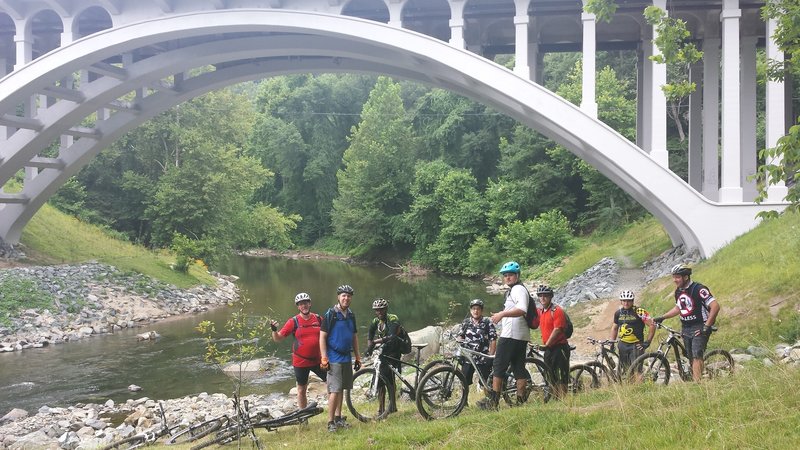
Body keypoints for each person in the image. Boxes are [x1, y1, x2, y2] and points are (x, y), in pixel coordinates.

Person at [653, 264, 720, 382]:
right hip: (686, 327)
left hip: (700, 326)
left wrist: (707, 326)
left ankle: (696, 385)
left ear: (686, 277)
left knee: (696, 355)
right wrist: (663, 317)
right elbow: (679, 308)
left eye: (677, 277)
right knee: (690, 356)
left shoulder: (699, 289)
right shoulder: (678, 291)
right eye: (673, 277)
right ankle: (697, 376)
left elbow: (715, 306)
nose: (674, 280)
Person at [477, 261, 531, 410]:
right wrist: (501, 315)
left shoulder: (518, 289)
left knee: (498, 367)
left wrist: (502, 314)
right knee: (518, 369)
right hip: (520, 336)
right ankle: (520, 403)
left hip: (511, 336)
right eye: (505, 275)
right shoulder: (516, 290)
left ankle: (493, 403)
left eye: (510, 275)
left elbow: (522, 309)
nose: (507, 278)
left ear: (517, 276)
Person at [270, 292, 327, 409]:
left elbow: (327, 336)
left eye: (306, 303)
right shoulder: (293, 321)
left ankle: (333, 414)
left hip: (318, 360)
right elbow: (278, 338)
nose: (304, 306)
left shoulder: (318, 319)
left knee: (332, 383)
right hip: (301, 361)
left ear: (310, 304)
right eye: (301, 304)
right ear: (298, 307)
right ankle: (303, 417)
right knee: (301, 390)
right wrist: (274, 330)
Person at [319, 284, 361, 432]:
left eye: (349, 296)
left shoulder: (351, 314)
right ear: (338, 297)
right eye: (343, 295)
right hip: (334, 357)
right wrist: (324, 358)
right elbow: (322, 337)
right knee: (334, 390)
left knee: (342, 388)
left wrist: (357, 356)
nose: (346, 298)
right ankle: (330, 422)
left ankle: (338, 417)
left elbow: (354, 336)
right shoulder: (331, 314)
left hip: (346, 357)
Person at [365, 298, 409, 415]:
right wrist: (369, 347)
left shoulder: (392, 318)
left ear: (386, 309)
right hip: (384, 350)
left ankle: (388, 408)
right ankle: (384, 408)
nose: (379, 312)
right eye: (377, 310)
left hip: (395, 350)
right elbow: (370, 334)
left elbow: (392, 336)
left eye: (381, 310)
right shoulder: (376, 321)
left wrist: (375, 342)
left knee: (387, 377)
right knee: (383, 377)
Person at [536, 284, 570, 399]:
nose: (543, 298)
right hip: (549, 349)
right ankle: (555, 397)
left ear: (550, 297)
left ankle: (563, 399)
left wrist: (547, 344)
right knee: (550, 374)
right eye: (540, 296)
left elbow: (557, 329)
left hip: (559, 347)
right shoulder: (541, 312)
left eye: (545, 296)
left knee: (562, 375)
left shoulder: (557, 310)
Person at [457, 299, 497, 396]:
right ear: (471, 310)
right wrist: (459, 341)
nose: (476, 311)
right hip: (468, 358)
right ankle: (463, 402)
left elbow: (493, 339)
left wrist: (490, 356)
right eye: (474, 309)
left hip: (482, 357)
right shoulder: (466, 322)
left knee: (485, 382)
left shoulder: (487, 322)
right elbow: (460, 336)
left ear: (481, 310)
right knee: (464, 381)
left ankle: (489, 401)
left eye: (478, 309)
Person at [610, 290, 656, 373]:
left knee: (637, 371)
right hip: (622, 345)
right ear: (621, 301)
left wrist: (647, 342)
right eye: (624, 301)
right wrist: (612, 342)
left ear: (633, 301)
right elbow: (614, 328)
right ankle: (629, 386)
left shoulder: (640, 311)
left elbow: (652, 325)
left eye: (629, 301)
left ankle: (639, 385)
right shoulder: (618, 313)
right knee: (626, 370)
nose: (626, 303)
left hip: (636, 345)